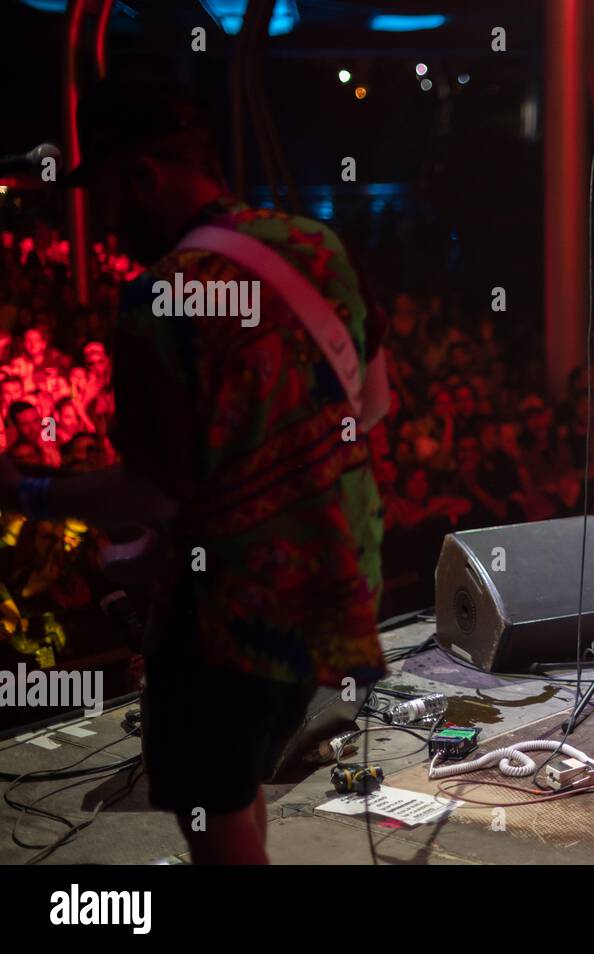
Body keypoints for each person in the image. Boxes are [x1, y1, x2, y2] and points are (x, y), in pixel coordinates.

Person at [0, 73, 387, 863]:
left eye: (105, 198)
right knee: (238, 783)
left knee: (212, 806)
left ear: (141, 176)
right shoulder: (315, 247)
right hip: (345, 582)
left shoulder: (160, 298)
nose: (105, 225)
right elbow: (377, 401)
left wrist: (22, 489)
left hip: (235, 617)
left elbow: (152, 488)